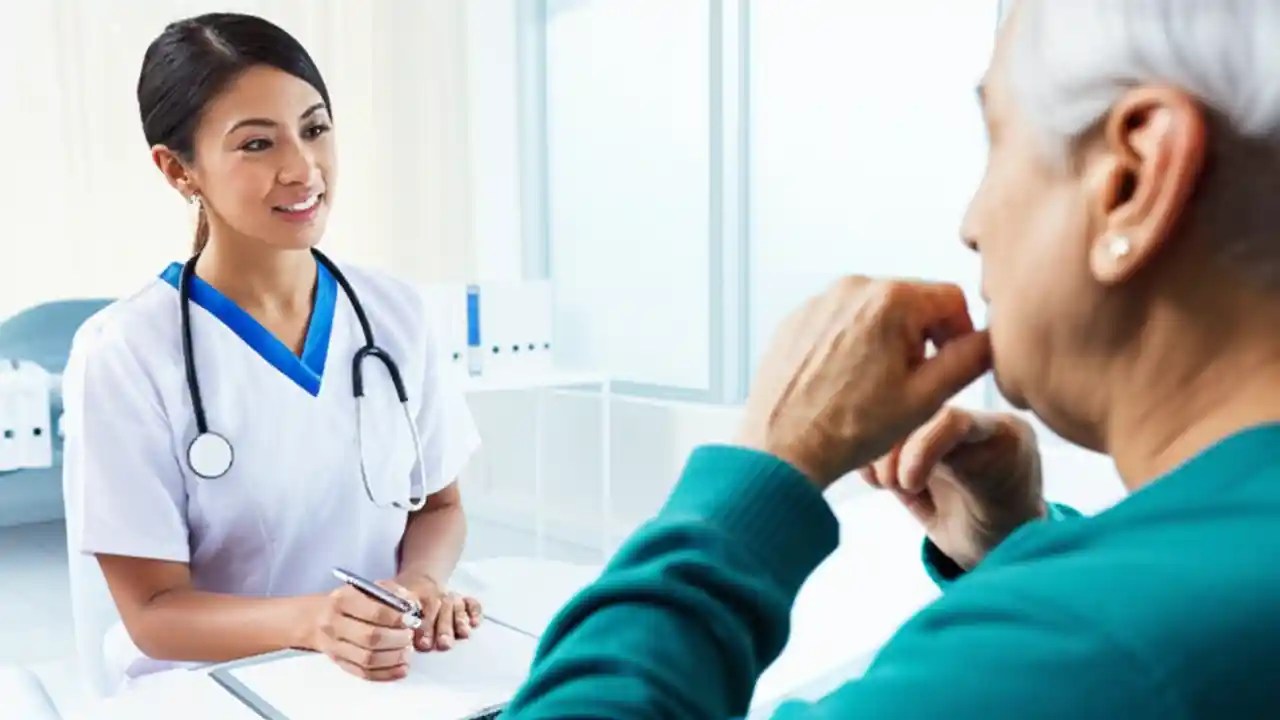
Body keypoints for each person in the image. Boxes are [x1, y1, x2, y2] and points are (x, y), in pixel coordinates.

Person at [504, 0, 1280, 716]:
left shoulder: (1075, 644)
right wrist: (1018, 547)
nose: (971, 225)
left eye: (999, 139)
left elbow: (1111, 657)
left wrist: (763, 470)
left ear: (1132, 181)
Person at [60, 13, 483, 692]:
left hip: (379, 680)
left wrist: (419, 584)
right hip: (209, 689)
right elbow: (153, 612)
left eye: (314, 129)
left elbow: (438, 507)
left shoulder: (395, 314)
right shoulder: (124, 353)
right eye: (257, 144)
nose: (302, 168)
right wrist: (315, 622)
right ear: (177, 170)